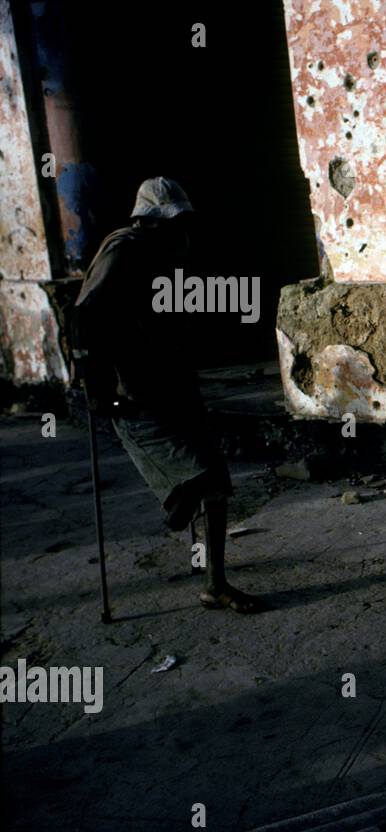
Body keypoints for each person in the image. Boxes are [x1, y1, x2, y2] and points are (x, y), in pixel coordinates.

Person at [73, 177, 267, 614]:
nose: (178, 227)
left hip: (172, 386)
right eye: (170, 220)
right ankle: (181, 505)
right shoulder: (123, 248)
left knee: (215, 481)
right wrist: (95, 388)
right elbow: (87, 315)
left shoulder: (166, 250)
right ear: (148, 219)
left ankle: (214, 579)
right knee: (205, 480)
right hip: (137, 395)